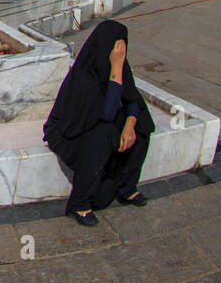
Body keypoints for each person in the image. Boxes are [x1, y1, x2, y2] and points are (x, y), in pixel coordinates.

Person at [43, 20, 153, 226]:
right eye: (116, 48)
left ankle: (126, 188)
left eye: (123, 48)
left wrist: (130, 124)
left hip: (95, 122)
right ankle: (80, 203)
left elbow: (133, 100)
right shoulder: (85, 75)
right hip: (68, 132)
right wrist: (117, 68)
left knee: (142, 125)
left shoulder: (120, 68)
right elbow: (107, 113)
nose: (120, 53)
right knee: (103, 134)